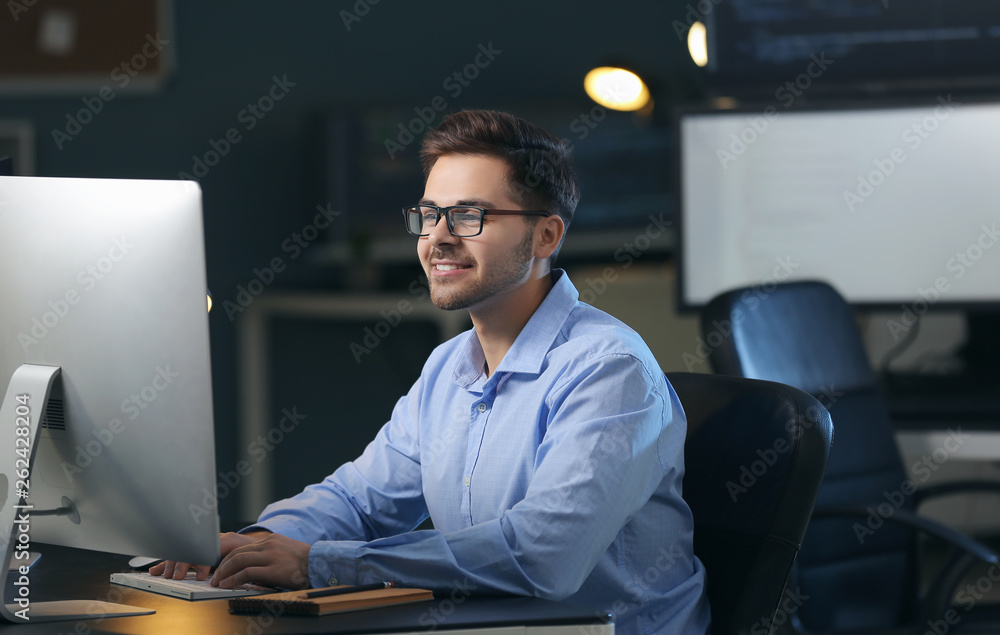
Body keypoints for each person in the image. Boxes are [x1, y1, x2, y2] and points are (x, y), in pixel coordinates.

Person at [152, 109, 710, 635]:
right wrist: (253, 543)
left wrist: (321, 564)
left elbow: (545, 557)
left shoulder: (609, 370)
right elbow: (359, 500)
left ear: (546, 236)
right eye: (428, 214)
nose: (437, 237)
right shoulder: (450, 365)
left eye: (469, 216)